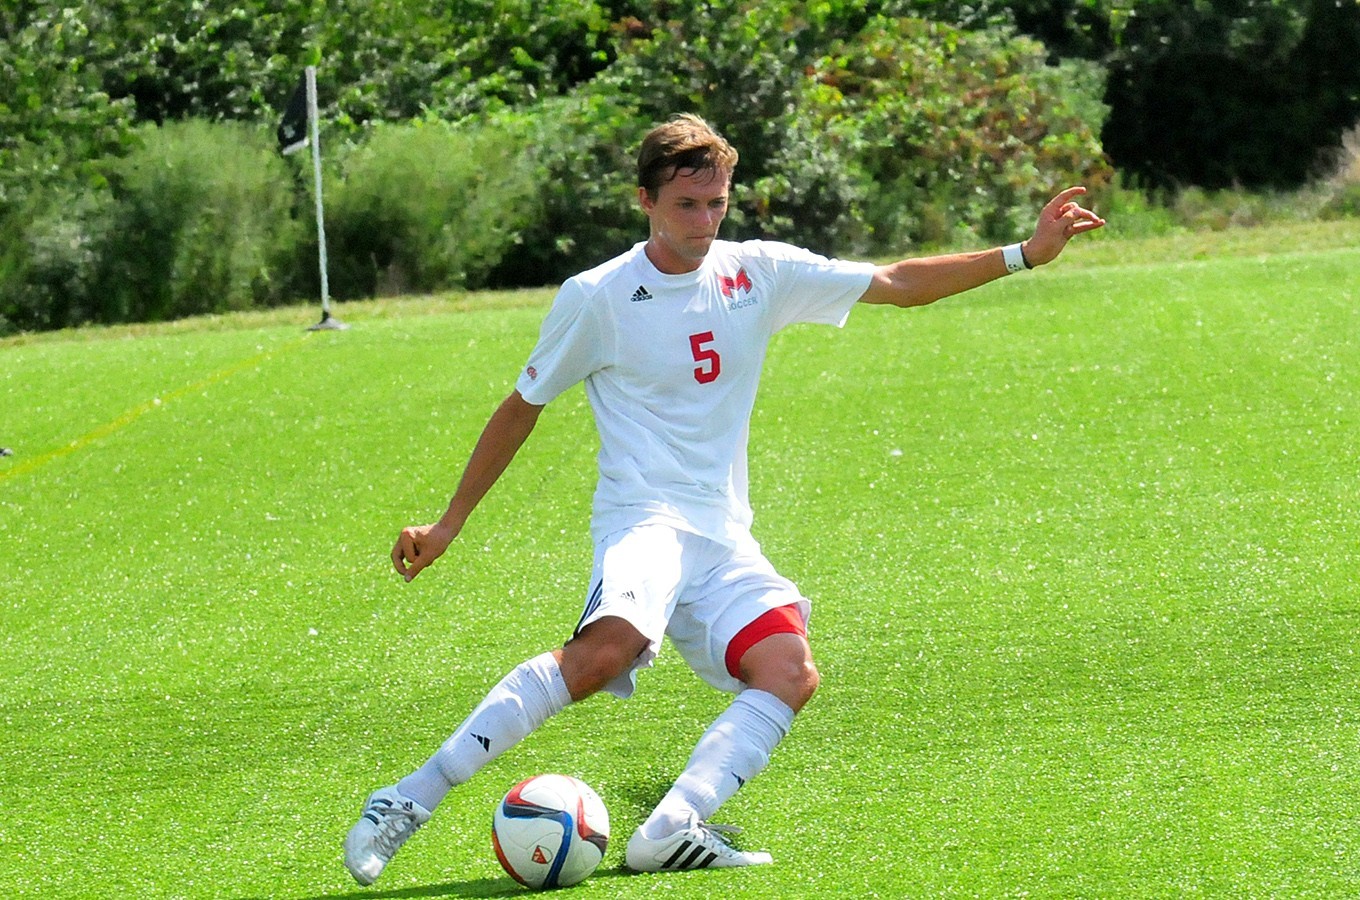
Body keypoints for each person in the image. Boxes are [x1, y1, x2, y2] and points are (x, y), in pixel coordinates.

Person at [343, 113, 1104, 886]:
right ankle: (405, 800)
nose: (705, 222)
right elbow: (521, 408)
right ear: (645, 200)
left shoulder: (757, 272)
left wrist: (1025, 254)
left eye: (718, 203)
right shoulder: (597, 296)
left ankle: (672, 827)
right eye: (687, 205)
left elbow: (899, 282)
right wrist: (450, 522)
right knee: (605, 654)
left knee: (789, 668)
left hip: (720, 536)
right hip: (644, 522)